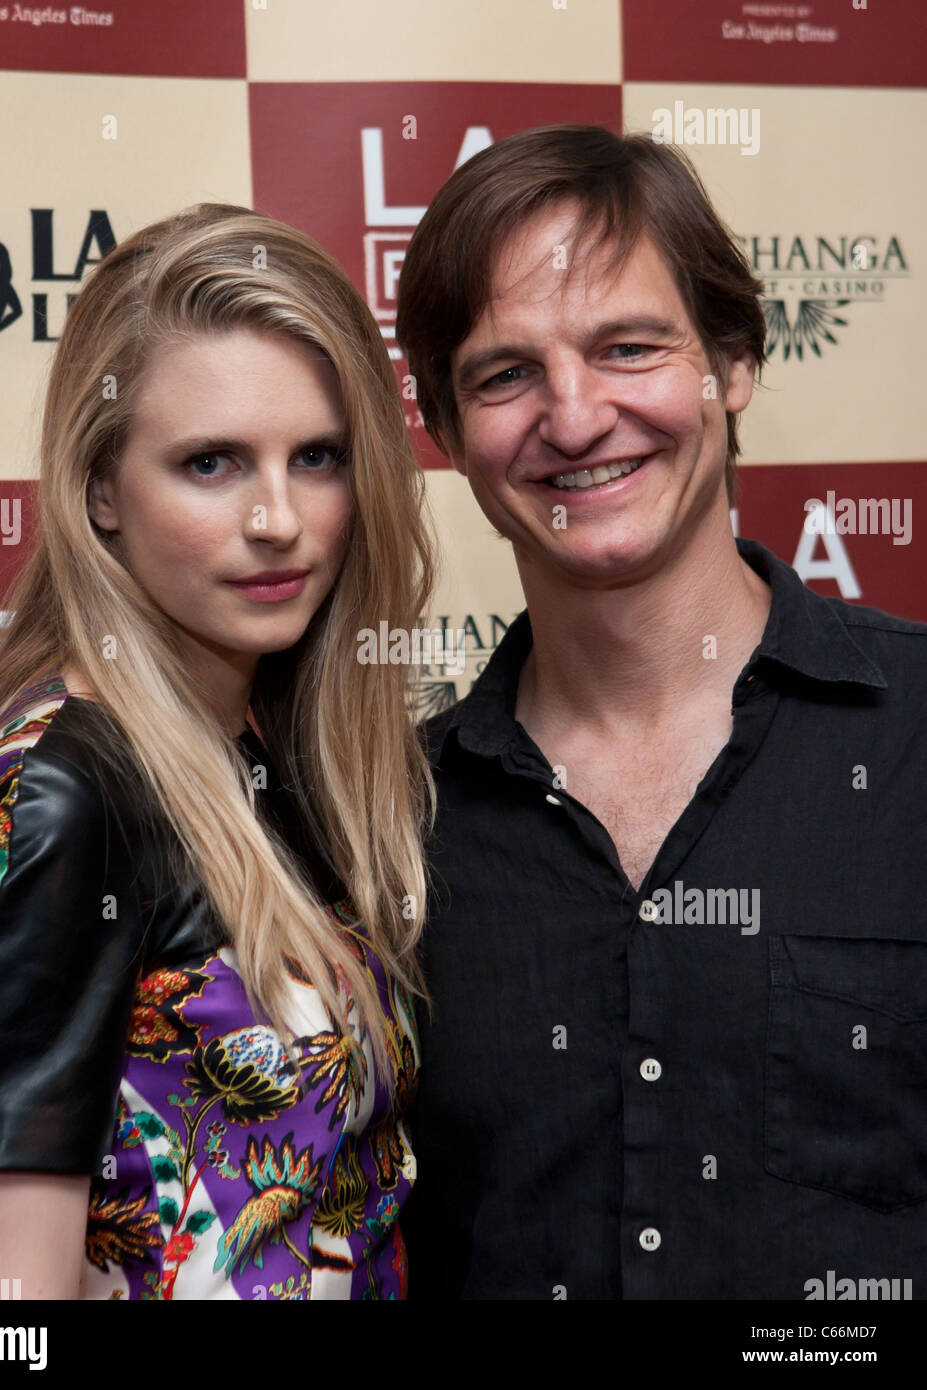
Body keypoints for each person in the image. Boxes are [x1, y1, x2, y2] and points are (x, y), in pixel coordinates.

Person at [395, 124, 927, 1299]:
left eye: (627, 347)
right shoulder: (383, 819)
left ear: (731, 364)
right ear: (445, 429)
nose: (574, 418)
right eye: (505, 373)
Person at [0, 203, 436, 1300]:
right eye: (211, 463)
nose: (280, 517)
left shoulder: (274, 745)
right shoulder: (53, 796)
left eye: (319, 457)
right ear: (99, 488)